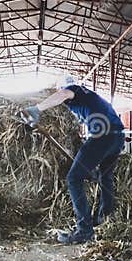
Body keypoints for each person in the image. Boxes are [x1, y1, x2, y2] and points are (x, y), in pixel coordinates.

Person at [22, 82, 125, 244]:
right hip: (117, 137)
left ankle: (84, 230)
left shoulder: (74, 89)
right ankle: (104, 220)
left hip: (102, 137)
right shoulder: (89, 99)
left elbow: (63, 94)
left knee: (74, 179)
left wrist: (37, 109)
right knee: (105, 177)